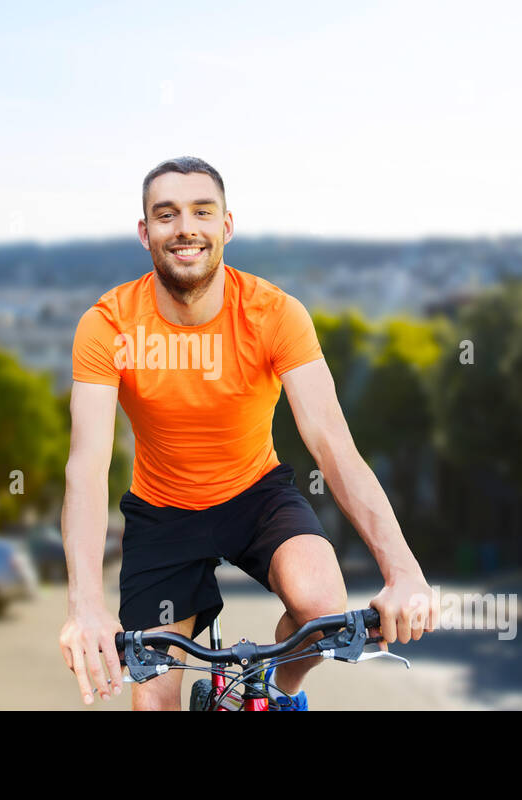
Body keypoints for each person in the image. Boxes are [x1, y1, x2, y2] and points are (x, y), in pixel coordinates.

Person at [58, 156, 437, 710]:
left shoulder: (276, 314)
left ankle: (280, 693)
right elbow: (86, 467)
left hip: (256, 495)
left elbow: (332, 443)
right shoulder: (107, 324)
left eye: (201, 212)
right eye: (166, 215)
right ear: (145, 233)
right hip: (161, 513)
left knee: (323, 609)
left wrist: (404, 572)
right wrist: (85, 606)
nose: (185, 227)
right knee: (152, 704)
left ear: (226, 226)